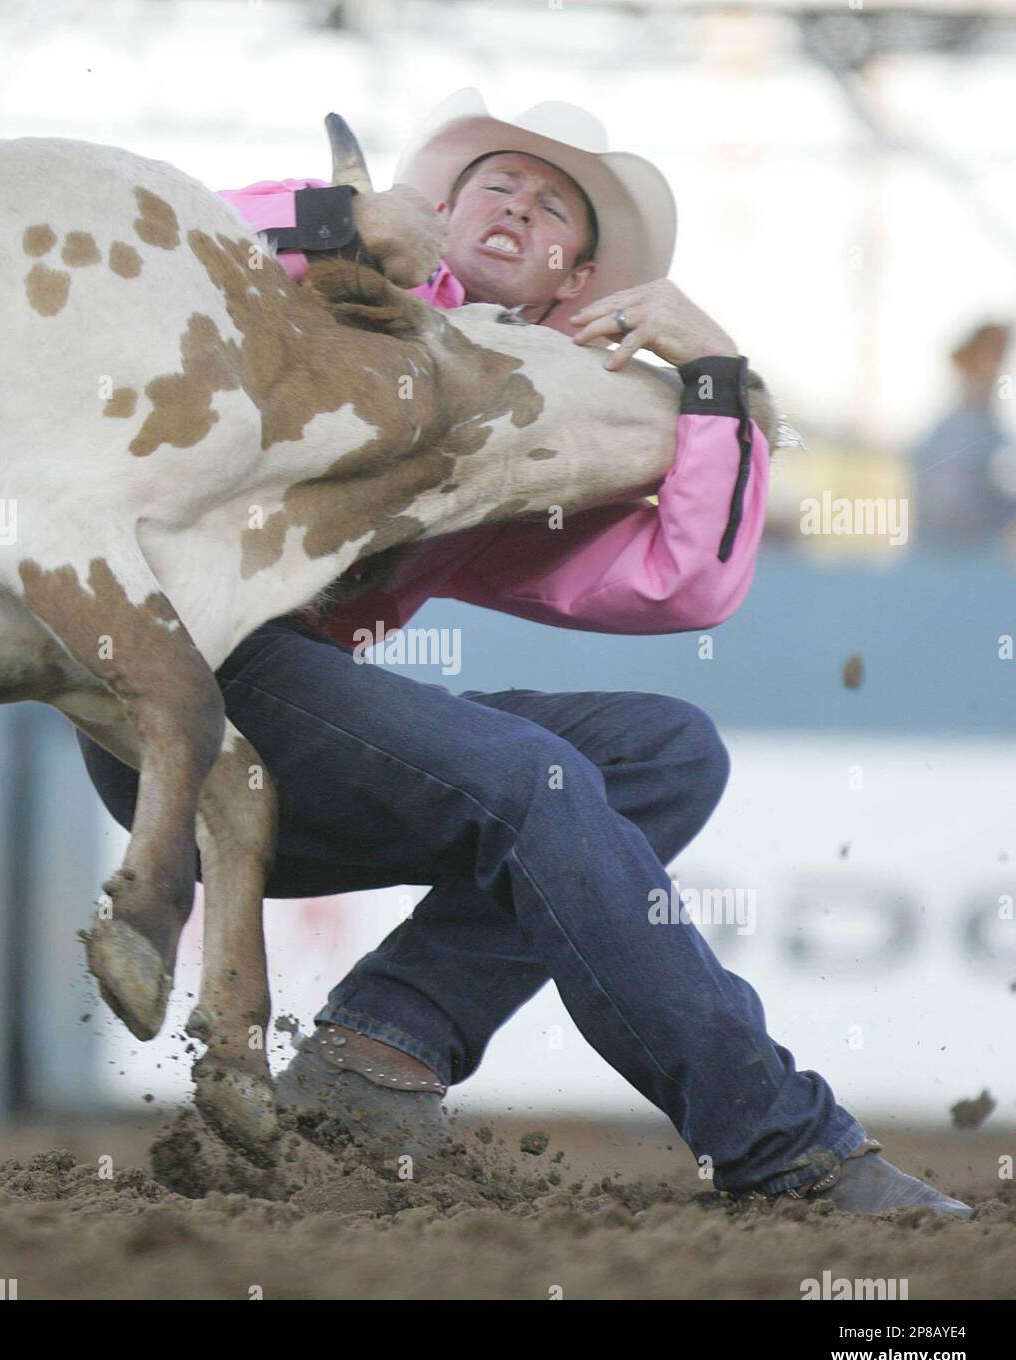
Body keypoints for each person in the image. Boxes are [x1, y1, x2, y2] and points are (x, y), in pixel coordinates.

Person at [78, 90, 969, 1215]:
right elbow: (156, 250)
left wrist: (712, 376)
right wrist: (339, 226)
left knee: (665, 751)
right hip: (175, 684)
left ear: (571, 287)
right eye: (498, 183)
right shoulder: (333, 264)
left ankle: (383, 1042)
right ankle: (781, 1145)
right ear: (437, 211)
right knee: (533, 785)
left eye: (554, 209)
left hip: (292, 728)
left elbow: (684, 580)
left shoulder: (525, 433)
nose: (519, 207)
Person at [912, 321, 1016, 549]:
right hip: (954, 563)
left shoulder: (993, 433)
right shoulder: (950, 435)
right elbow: (948, 514)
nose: (996, 371)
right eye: (990, 359)